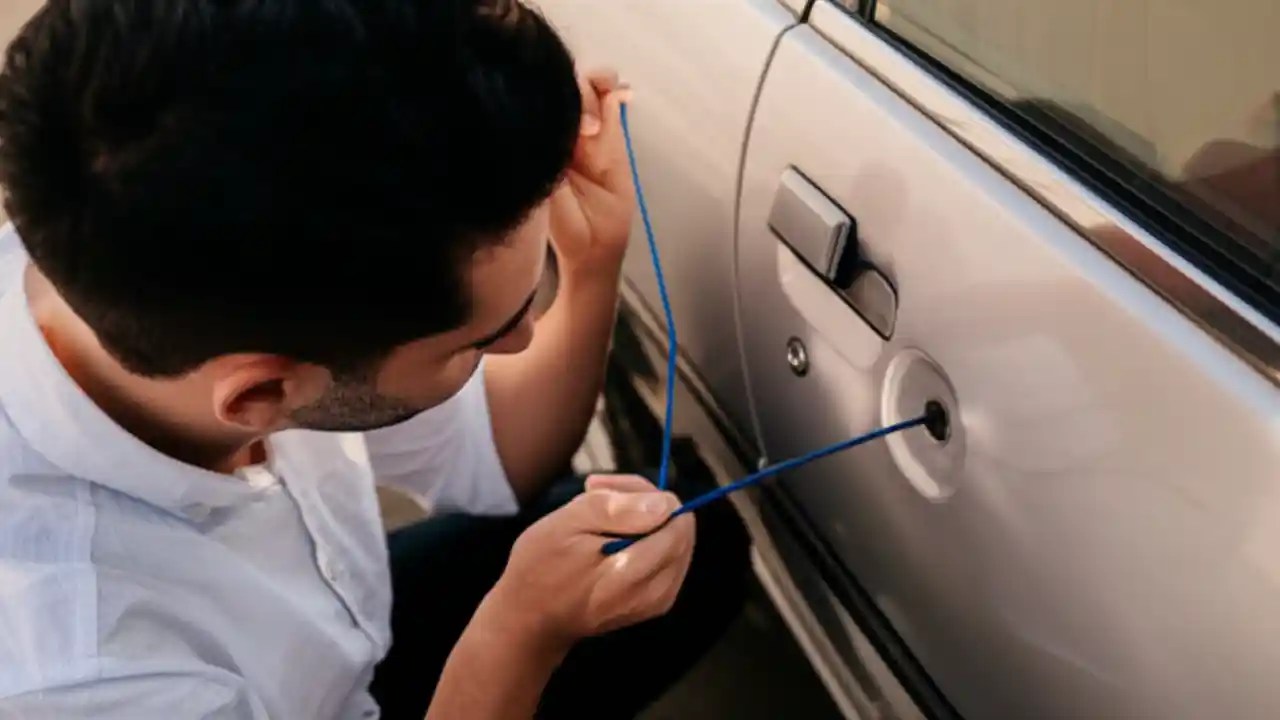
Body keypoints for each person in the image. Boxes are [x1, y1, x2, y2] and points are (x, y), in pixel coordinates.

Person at [0, 0, 749, 718]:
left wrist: (591, 264)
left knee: (698, 551)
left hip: (338, 656)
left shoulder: (212, 266)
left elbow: (496, 455)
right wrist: (515, 640)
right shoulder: (85, 669)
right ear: (261, 395)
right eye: (483, 339)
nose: (526, 340)